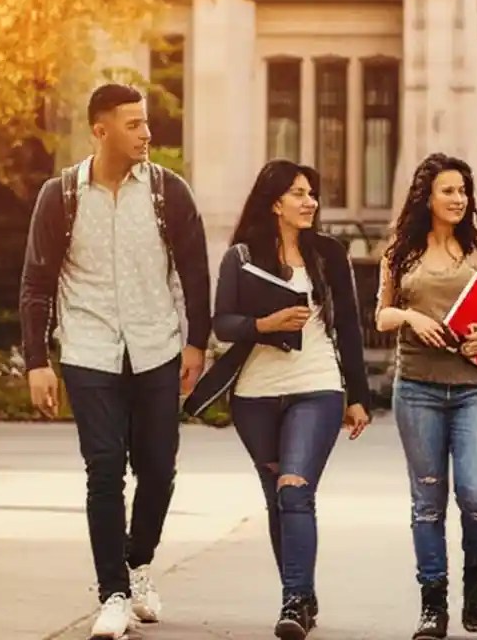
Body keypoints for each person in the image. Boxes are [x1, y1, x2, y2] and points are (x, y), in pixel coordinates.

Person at [17, 83, 212, 639]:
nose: (147, 133)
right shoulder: (61, 197)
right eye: (133, 124)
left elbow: (195, 272)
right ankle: (114, 594)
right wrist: (37, 359)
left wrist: (196, 342)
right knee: (104, 468)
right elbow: (36, 282)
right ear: (100, 130)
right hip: (89, 349)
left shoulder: (167, 194)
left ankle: (138, 561)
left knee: (157, 469)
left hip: (156, 347)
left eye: (146, 122)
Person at [189, 159, 372, 639]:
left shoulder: (329, 254)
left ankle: (292, 602)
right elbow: (222, 322)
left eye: (311, 192)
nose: (309, 201)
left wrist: (359, 397)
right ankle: (302, 593)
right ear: (274, 202)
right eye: (297, 193)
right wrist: (264, 327)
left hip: (318, 386)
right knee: (277, 500)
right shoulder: (242, 257)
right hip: (255, 396)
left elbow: (350, 326)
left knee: (295, 489)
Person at [375, 152, 477, 640]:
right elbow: (382, 316)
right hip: (417, 387)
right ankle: (432, 603)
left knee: (476, 495)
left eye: (463, 191)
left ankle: (475, 576)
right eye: (448, 191)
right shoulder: (401, 252)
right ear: (427, 197)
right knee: (427, 502)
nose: (458, 199)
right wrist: (412, 317)